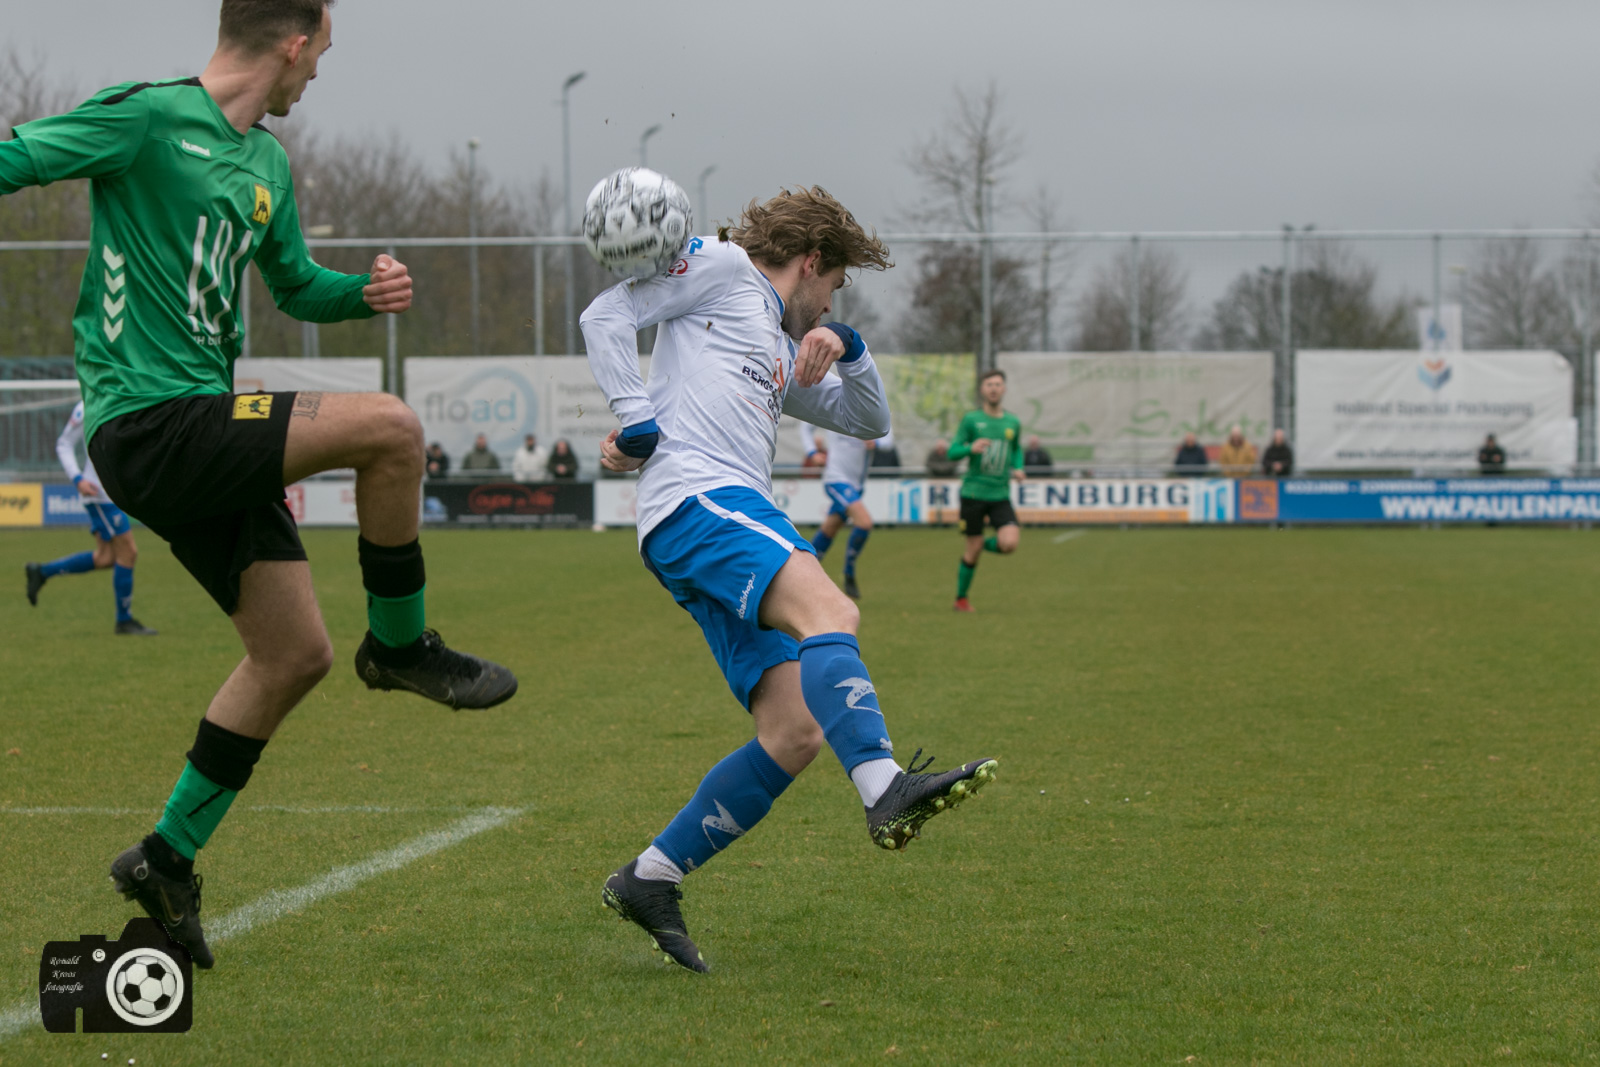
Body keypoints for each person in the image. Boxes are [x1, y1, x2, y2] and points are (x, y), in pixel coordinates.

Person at [0, 0, 518, 970]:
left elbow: (292, 287)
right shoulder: (145, 117)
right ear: (292, 40)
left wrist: (360, 293)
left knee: (292, 654)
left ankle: (165, 856)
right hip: (146, 420)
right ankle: (402, 648)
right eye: (321, 51)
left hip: (204, 423)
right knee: (392, 427)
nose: (318, 73)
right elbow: (13, 158)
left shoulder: (267, 165)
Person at [580, 186, 997, 973]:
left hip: (695, 522)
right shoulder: (730, 267)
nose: (829, 300)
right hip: (704, 502)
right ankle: (883, 788)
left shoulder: (778, 348)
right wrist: (634, 417)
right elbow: (604, 316)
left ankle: (651, 876)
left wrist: (849, 341)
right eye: (833, 286)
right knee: (830, 608)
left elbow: (868, 420)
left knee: (795, 730)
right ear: (811, 262)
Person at [24, 399, 157, 635]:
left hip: (112, 492)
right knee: (128, 552)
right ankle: (124, 621)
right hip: (99, 493)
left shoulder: (129, 396)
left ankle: (41, 572)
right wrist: (78, 479)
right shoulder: (87, 405)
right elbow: (64, 443)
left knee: (106, 558)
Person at [948, 369, 1024, 613]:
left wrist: (1019, 468)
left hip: (1000, 495)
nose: (993, 388)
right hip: (973, 493)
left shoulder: (1013, 422)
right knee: (973, 549)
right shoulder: (971, 420)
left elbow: (1016, 449)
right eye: (989, 384)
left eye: (998, 384)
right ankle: (961, 599)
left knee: (1010, 543)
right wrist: (971, 448)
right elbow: (952, 452)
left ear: (1004, 389)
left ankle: (982, 544)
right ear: (982, 390)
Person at [800, 420, 875, 599]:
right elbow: (805, 426)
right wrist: (812, 452)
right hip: (836, 479)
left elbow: (888, 438)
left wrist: (877, 442)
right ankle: (849, 572)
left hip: (856, 485)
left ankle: (802, 575)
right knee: (864, 523)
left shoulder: (871, 410)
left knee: (829, 529)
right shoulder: (836, 407)